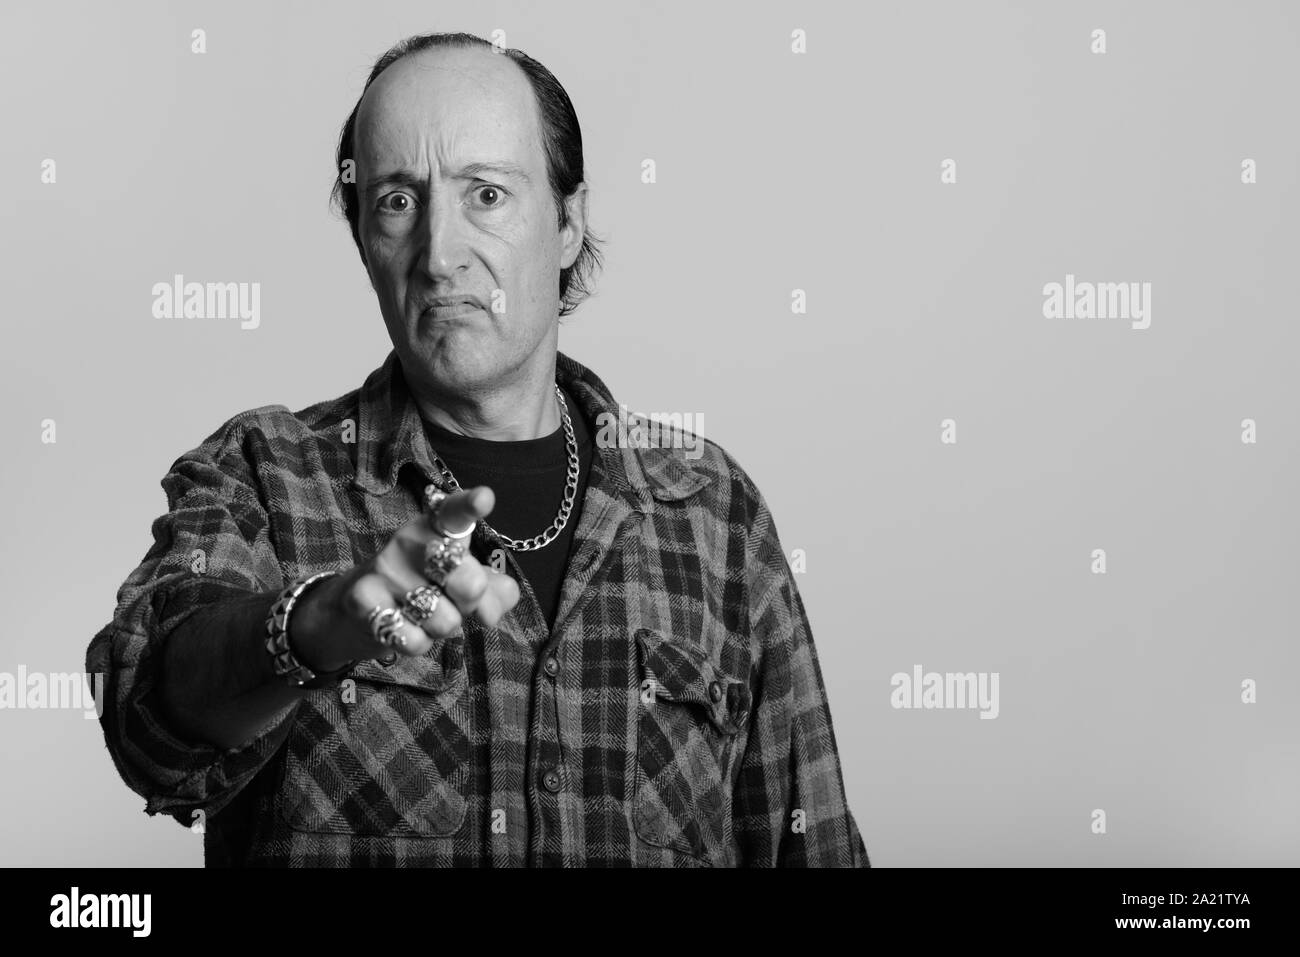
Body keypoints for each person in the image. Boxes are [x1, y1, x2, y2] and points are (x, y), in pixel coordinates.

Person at [87, 31, 869, 867]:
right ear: (362, 239)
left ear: (567, 223)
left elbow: (810, 843)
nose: (440, 253)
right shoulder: (265, 473)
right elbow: (148, 725)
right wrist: (312, 625)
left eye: (487, 196)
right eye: (397, 201)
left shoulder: (715, 515)